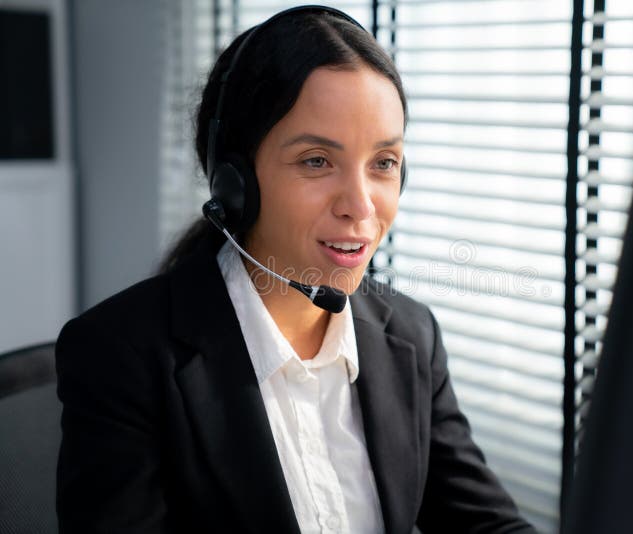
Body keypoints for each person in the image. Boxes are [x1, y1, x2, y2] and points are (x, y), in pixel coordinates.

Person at [55, 6, 537, 533]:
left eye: (383, 163)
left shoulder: (411, 339)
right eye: (316, 161)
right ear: (234, 184)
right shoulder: (122, 357)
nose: (361, 205)